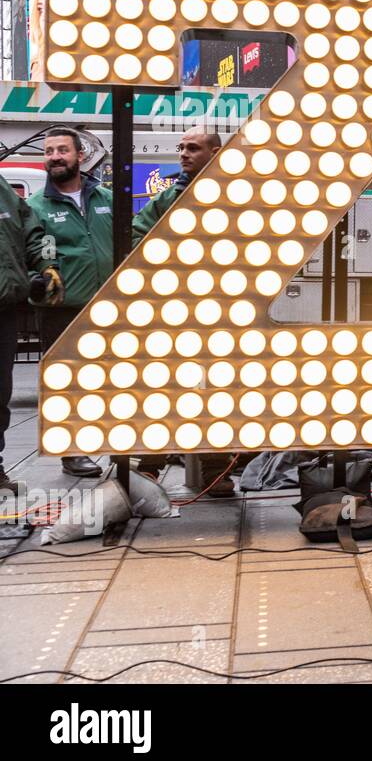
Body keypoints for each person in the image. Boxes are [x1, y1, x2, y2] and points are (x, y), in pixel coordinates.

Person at [131, 127, 230, 490]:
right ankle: (150, 468)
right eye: (181, 148)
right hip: (176, 306)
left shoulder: (234, 195)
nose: (184, 154)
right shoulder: (168, 198)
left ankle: (216, 469)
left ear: (216, 152)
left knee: (217, 388)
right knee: (169, 385)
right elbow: (138, 235)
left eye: (193, 148)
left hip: (220, 308)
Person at [28, 126, 112, 479]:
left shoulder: (106, 197)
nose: (55, 157)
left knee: (109, 379)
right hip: (63, 309)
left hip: (108, 305)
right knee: (67, 382)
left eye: (62, 150)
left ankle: (115, 444)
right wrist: (44, 274)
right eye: (49, 152)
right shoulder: (35, 206)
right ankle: (73, 452)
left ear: (81, 155)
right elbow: (33, 248)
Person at [0, 178, 63, 491]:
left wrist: (46, 265)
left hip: (5, 308)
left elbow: (35, 235)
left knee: (0, 393)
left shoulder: (4, 192)